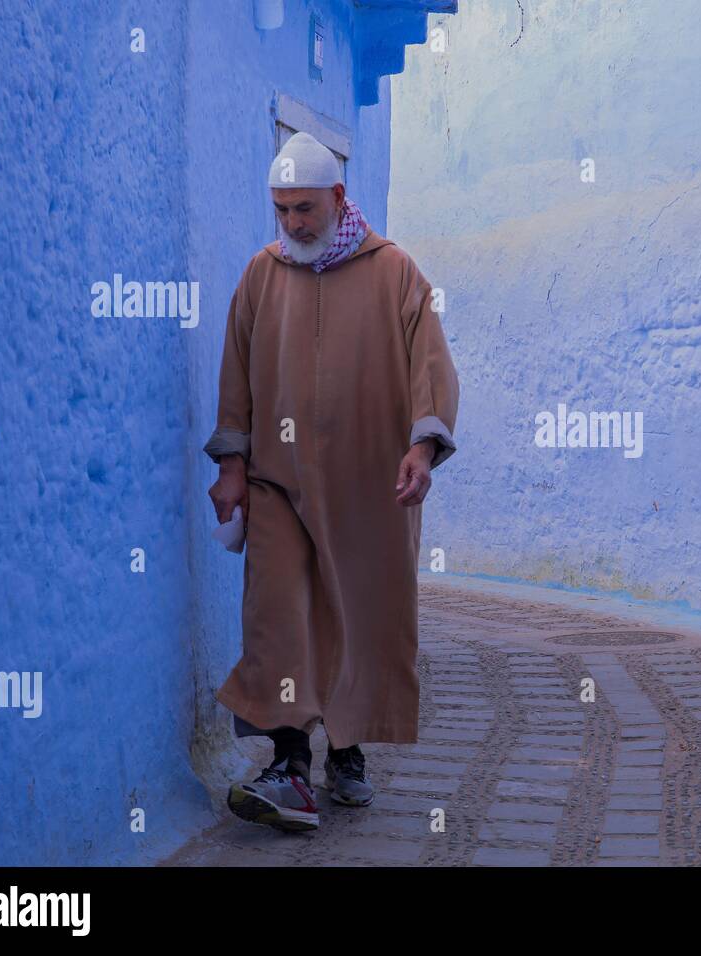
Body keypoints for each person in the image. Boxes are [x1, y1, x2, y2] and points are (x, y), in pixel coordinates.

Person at [203, 131, 460, 832]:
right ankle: (289, 766)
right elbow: (236, 378)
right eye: (282, 210)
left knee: (356, 615)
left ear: (339, 199)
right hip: (278, 484)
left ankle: (347, 751)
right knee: (278, 613)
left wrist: (422, 445)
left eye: (306, 209)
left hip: (370, 483)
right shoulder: (262, 276)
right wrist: (231, 464)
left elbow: (429, 368)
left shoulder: (396, 274)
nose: (294, 224)